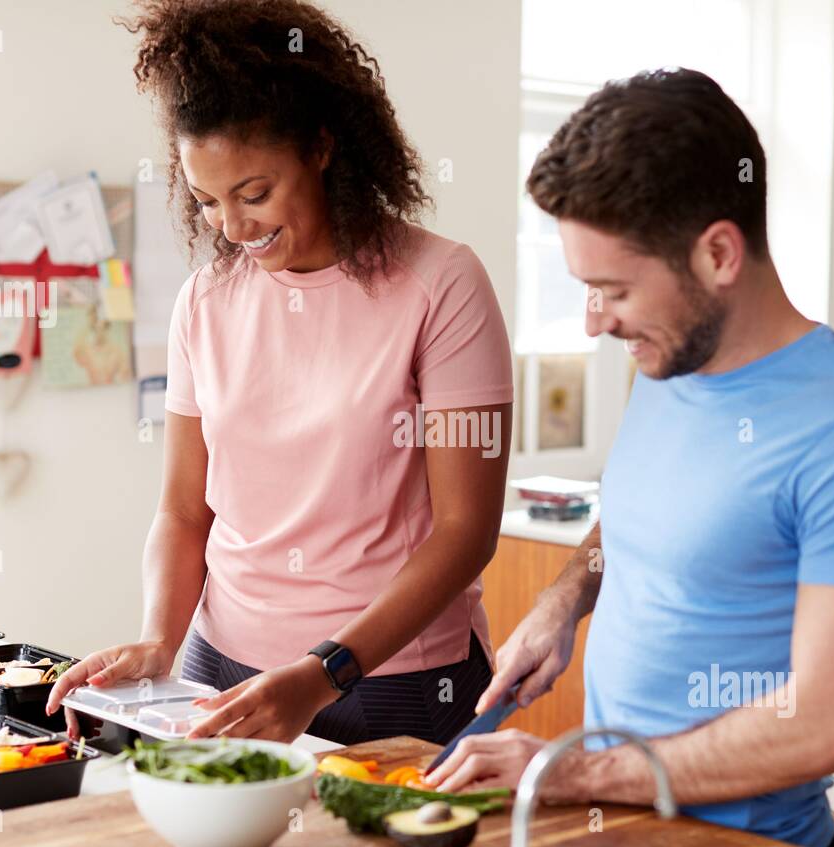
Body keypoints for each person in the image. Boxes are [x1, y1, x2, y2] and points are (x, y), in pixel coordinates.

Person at [426, 69, 834, 847]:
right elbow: (642, 514)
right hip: (622, 839)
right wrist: (565, 601)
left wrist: (575, 774)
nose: (595, 322)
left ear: (719, 254)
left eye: (612, 289)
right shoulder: (666, 366)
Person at [48, 0, 513, 746]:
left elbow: (465, 532)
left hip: (391, 680)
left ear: (323, 148)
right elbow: (183, 510)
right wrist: (159, 642)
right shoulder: (205, 300)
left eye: (254, 194)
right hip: (215, 669)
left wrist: (325, 670)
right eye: (207, 201)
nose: (233, 228)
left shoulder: (445, 284)